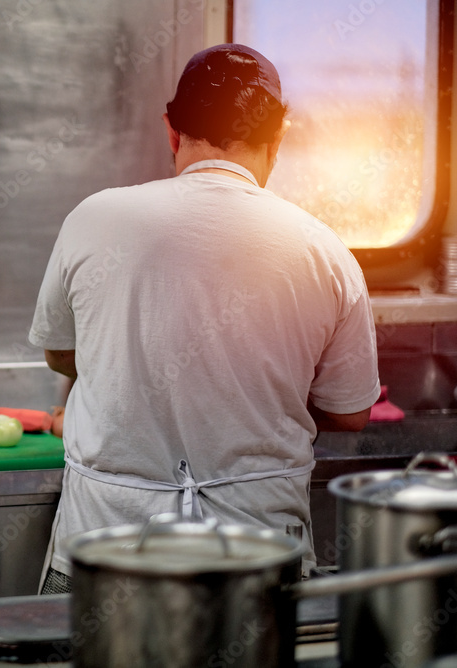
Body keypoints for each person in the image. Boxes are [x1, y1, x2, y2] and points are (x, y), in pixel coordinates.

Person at [29, 43, 380, 594]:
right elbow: (352, 410)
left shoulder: (93, 218)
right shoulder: (325, 249)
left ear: (171, 130)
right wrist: (253, 394)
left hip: (105, 549)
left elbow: (60, 353)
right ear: (278, 139)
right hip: (255, 558)